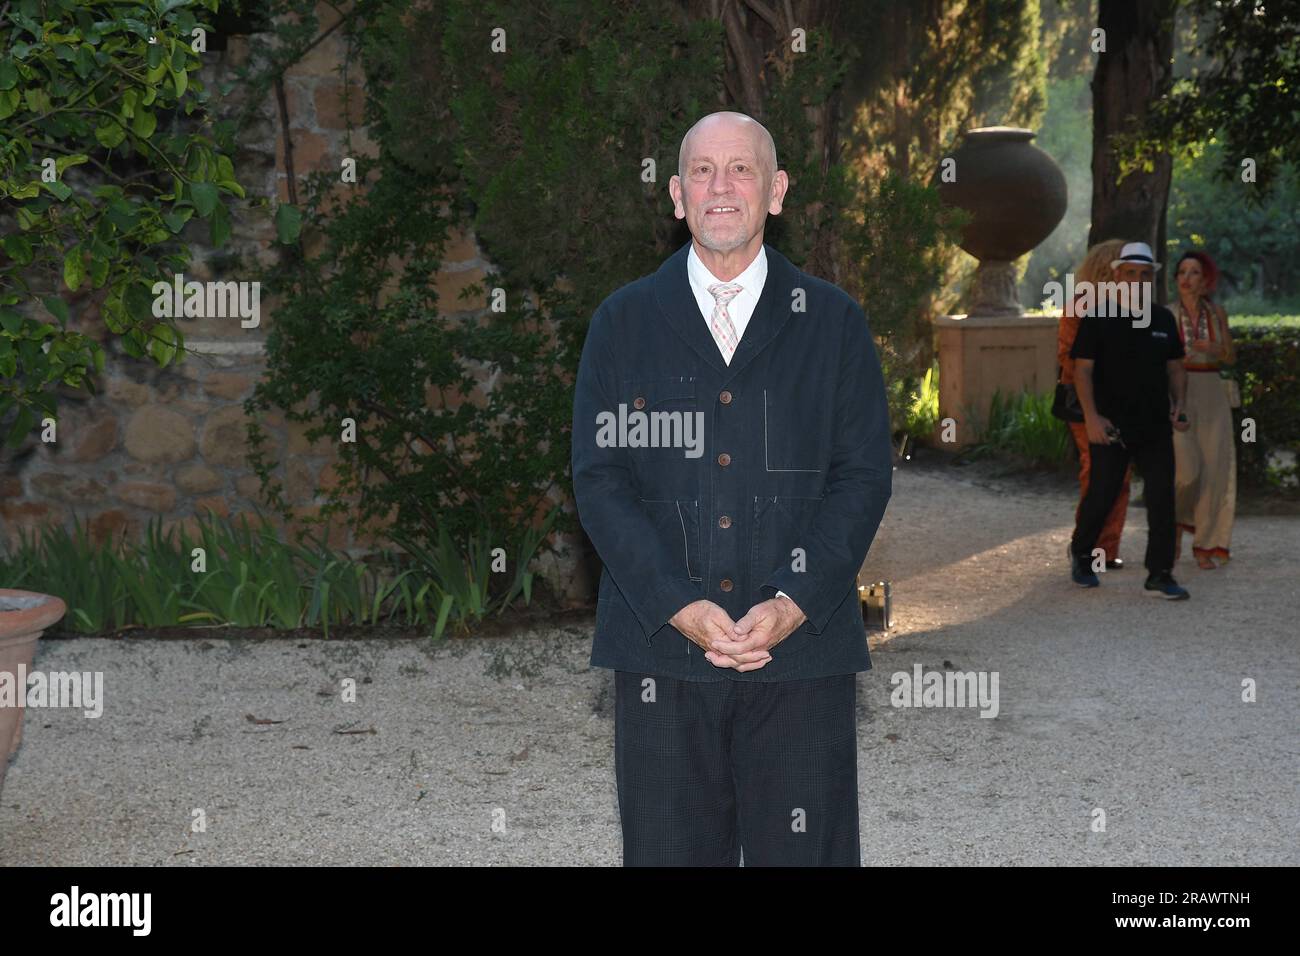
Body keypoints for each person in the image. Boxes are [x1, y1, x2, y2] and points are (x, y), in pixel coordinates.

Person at [570, 111, 893, 866]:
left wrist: (789, 603)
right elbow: (601, 480)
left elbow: (862, 478)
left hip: (803, 656)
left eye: (741, 169)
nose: (722, 186)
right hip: (661, 655)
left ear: (775, 191)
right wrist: (678, 605)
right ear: (677, 196)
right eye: (704, 171)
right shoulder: (622, 323)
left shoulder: (835, 324)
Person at [1068, 241, 1191, 599]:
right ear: (1117, 275)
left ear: (1151, 278)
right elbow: (1082, 372)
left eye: (1145, 274)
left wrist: (1179, 405)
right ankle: (1081, 554)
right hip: (1111, 427)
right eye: (1131, 273)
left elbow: (1176, 368)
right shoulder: (1098, 317)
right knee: (1103, 494)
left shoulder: (1163, 320)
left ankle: (1160, 573)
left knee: (1162, 497)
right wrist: (1092, 417)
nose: (1137, 280)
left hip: (1154, 426)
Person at [1058, 239, 1130, 569]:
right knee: (1096, 473)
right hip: (1087, 405)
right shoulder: (1081, 306)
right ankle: (1088, 547)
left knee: (1119, 475)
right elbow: (1070, 361)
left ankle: (1105, 550)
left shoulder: (1130, 306)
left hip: (1121, 403)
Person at [1172, 250, 1236, 569]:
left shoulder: (1217, 313)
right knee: (1186, 472)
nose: (1186, 278)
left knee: (1214, 470)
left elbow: (1231, 358)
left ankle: (1205, 543)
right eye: (1181, 272)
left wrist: (1216, 348)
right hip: (1178, 393)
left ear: (1205, 279)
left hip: (1212, 390)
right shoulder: (1166, 314)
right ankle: (1173, 525)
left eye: (1193, 272)